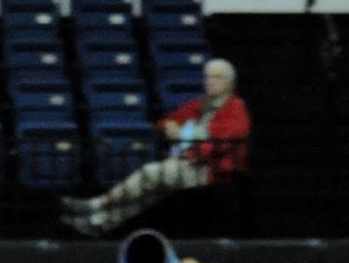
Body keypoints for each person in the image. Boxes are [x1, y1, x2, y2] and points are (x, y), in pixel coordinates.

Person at [62, 59, 250, 235]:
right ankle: (99, 222)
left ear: (230, 82)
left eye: (217, 77)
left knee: (150, 174)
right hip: (186, 163)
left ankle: (97, 205)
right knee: (151, 191)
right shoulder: (200, 105)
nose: (210, 81)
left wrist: (190, 152)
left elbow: (223, 143)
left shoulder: (235, 108)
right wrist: (170, 126)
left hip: (211, 169)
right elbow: (166, 121)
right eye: (207, 77)